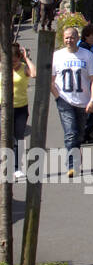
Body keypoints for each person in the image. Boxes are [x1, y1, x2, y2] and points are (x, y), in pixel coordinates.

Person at [50, 24, 93, 177]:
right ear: (63, 39)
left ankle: (76, 160)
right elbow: (50, 79)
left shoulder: (86, 55)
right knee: (70, 133)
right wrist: (57, 97)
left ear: (77, 39)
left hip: (83, 102)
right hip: (64, 100)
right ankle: (72, 166)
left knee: (79, 135)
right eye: (66, 38)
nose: (69, 40)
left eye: (72, 37)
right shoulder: (57, 56)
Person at [8, 41, 37, 180]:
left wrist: (27, 58)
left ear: (19, 57)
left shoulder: (24, 68)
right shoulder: (3, 68)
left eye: (15, 61)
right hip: (4, 108)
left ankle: (16, 167)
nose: (13, 64)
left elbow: (34, 74)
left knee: (18, 138)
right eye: (10, 61)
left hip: (20, 108)